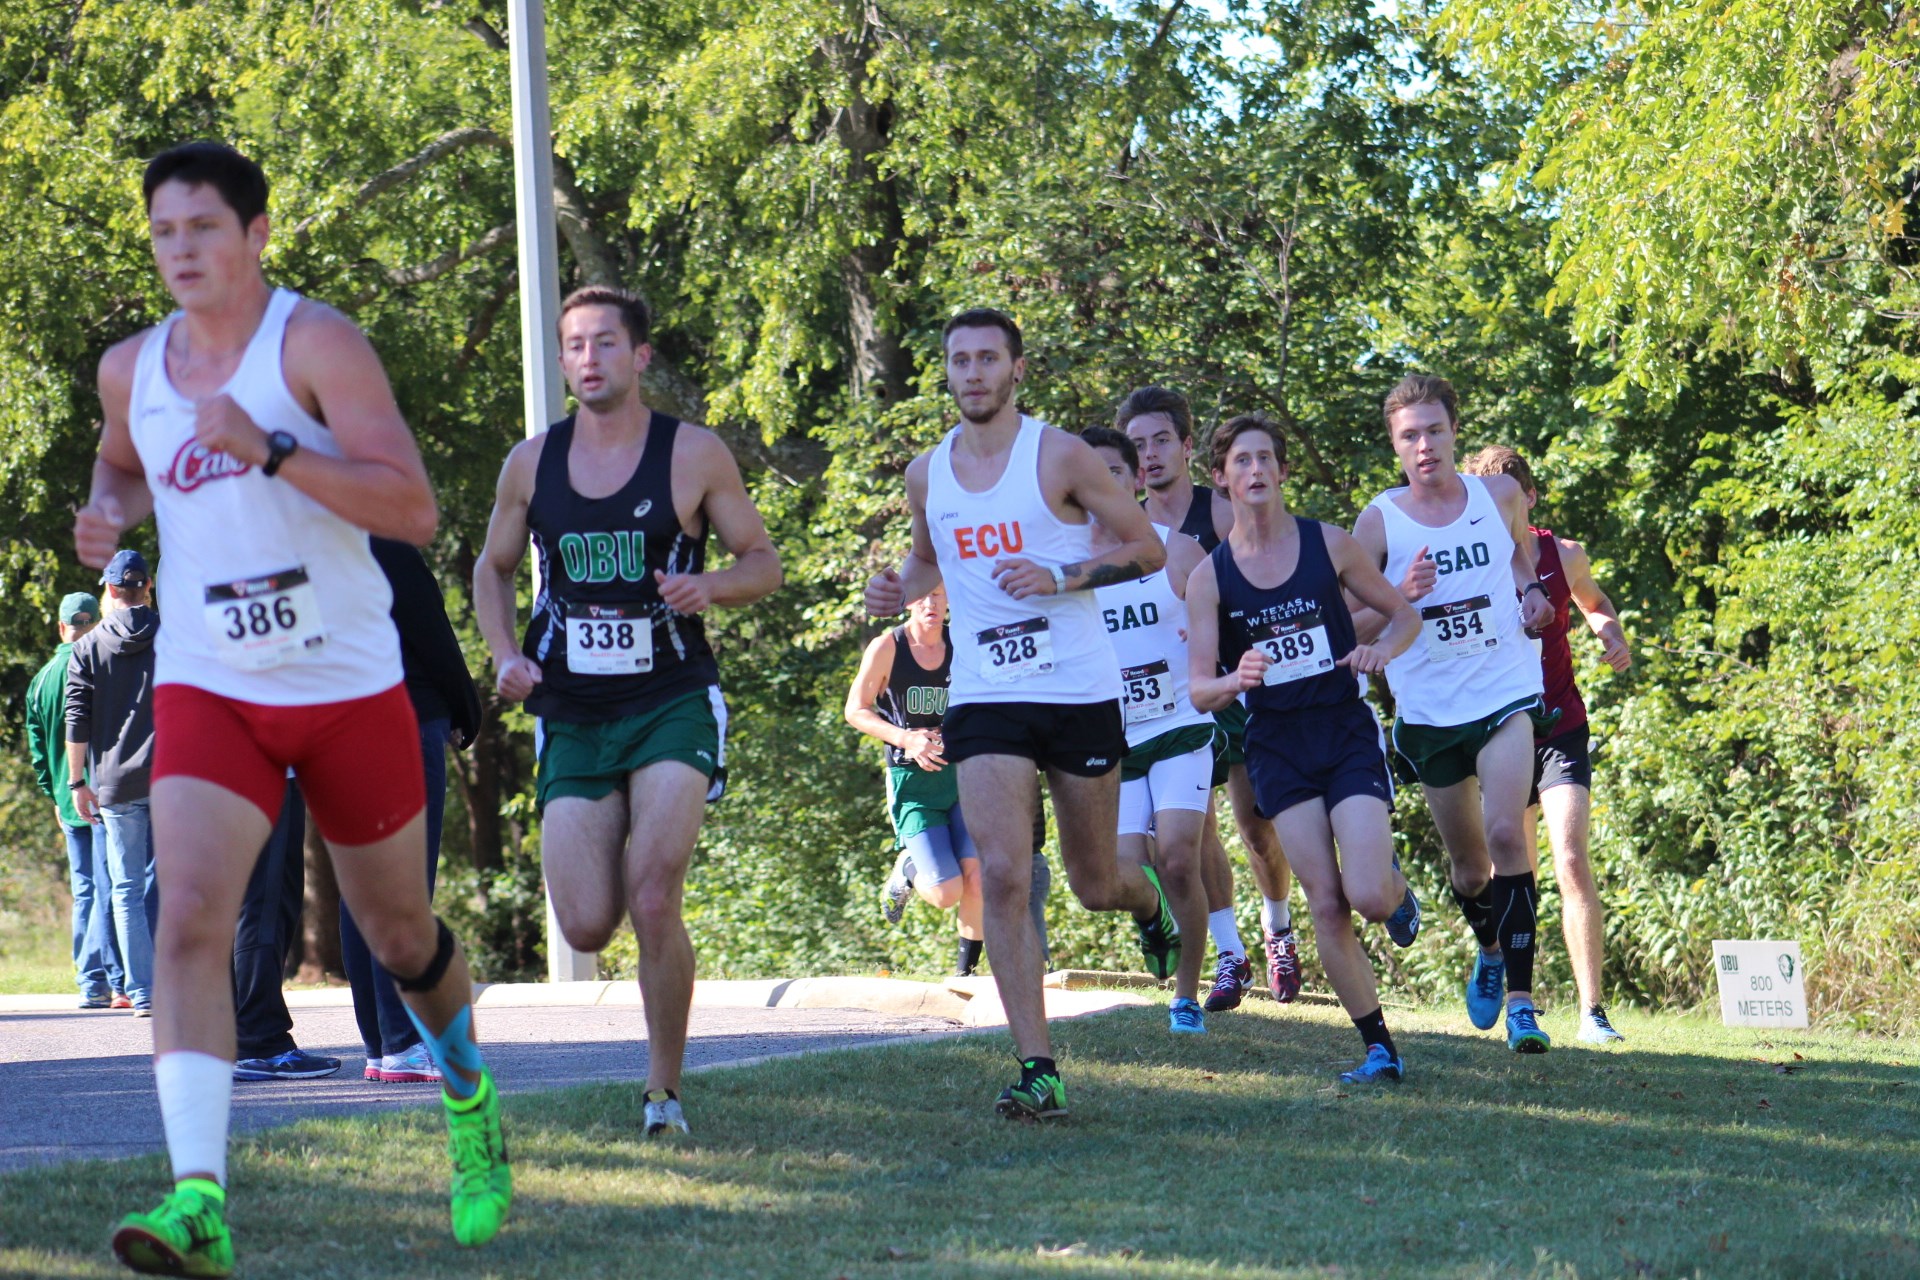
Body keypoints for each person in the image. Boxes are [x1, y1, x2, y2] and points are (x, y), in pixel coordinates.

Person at [76, 142, 509, 1275]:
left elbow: (409, 504)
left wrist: (269, 448)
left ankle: (469, 1097)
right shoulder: (134, 367)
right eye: (165, 232)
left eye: (204, 229)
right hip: (210, 680)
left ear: (258, 234)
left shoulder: (314, 344)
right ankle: (199, 1199)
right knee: (185, 924)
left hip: (345, 680)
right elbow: (122, 464)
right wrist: (103, 508)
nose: (182, 251)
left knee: (400, 934)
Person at [474, 284, 782, 1138]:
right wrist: (506, 654)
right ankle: (659, 1067)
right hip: (570, 708)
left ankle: (663, 1091)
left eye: (605, 343)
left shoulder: (692, 455)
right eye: (574, 345)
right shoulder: (531, 463)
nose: (587, 359)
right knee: (584, 920)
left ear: (639, 355)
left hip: (671, 698)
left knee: (653, 895)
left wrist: (709, 585)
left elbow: (763, 561)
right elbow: (491, 568)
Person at [864, 308, 1177, 1120]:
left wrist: (1062, 575)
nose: (972, 373)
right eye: (959, 360)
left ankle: (1149, 907)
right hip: (986, 695)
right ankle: (1038, 1066)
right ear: (947, 371)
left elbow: (1147, 548)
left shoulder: (1060, 456)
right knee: (1002, 875)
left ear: (1017, 371)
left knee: (1093, 879)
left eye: (987, 359)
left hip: (1076, 688)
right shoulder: (927, 473)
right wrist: (899, 586)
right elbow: (929, 552)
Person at [1187, 414, 1424, 1081]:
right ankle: (1379, 1048)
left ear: (1283, 472)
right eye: (1242, 461)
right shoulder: (1210, 578)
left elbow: (1405, 615)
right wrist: (1238, 678)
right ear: (1221, 477)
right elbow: (1200, 689)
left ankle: (1398, 891)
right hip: (1276, 744)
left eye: (1266, 459)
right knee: (1323, 900)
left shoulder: (1331, 545)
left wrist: (1380, 649)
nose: (1256, 471)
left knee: (1369, 897)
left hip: (1342, 729)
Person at [1351, 375, 1557, 1054]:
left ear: (1453, 433)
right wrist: (1394, 596)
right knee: (1470, 870)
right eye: (1409, 435)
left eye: (1434, 430)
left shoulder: (1496, 496)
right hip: (1432, 710)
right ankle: (1490, 945)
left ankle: (1524, 1005)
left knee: (1508, 836)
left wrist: (1531, 593)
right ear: (1395, 446)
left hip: (1503, 691)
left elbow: (1521, 553)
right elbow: (1344, 621)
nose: (1424, 445)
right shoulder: (1380, 522)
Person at [1117, 388, 1299, 1010]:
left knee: (1255, 827)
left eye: (1160, 440)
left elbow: (1271, 576)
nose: (1149, 456)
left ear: (1188, 446)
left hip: (1237, 687)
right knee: (1189, 836)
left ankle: (1278, 928)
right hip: (1174, 701)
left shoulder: (1217, 512)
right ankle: (1230, 954)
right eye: (1136, 446)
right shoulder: (1129, 528)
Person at [1462, 445, 1633, 1045]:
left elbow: (1595, 602)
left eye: (1510, 494)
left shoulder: (1565, 554)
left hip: (1560, 725)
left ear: (1528, 498)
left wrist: (1610, 634)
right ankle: (1503, 973)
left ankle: (1591, 1012)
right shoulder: (1472, 562)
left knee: (1570, 859)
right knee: (1505, 867)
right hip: (1498, 728)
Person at [1081, 426, 1215, 1032]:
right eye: (1090, 474)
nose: (1102, 485)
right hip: (1116, 739)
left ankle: (1186, 996)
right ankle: (1153, 914)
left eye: (1114, 472)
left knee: (1181, 857)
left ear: (1135, 479)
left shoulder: (1177, 549)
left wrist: (1207, 639)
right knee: (1118, 873)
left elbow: (1228, 611)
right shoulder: (1070, 567)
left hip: (1182, 723)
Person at [844, 585, 1053, 974]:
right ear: (907, 601)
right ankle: (908, 868)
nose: (932, 603)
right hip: (914, 783)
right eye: (922, 595)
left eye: (940, 594)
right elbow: (855, 710)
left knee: (977, 877)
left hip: (965, 776)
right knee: (945, 892)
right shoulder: (888, 647)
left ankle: (964, 972)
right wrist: (908, 738)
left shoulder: (965, 642)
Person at [342, 536, 484, 1083]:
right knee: (403, 888)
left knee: (361, 890)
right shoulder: (385, 546)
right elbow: (431, 634)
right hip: (401, 717)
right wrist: (466, 707)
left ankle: (382, 1043)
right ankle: (403, 1042)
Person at [65, 550, 159, 1018]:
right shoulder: (173, 636)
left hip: (117, 783)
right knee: (177, 885)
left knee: (126, 890)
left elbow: (76, 718)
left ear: (109, 590)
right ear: (148, 587)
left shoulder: (86, 647)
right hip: (175, 776)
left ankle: (143, 993)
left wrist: (77, 780)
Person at [27, 591, 125, 1008]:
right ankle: (117, 980)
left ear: (61, 626)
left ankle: (89, 982)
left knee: (84, 889)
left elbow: (35, 748)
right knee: (111, 887)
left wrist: (54, 793)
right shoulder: (98, 664)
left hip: (67, 800)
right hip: (99, 792)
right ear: (96, 622)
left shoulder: (43, 677)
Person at [229, 782, 340, 1081]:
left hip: (243, 767)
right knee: (265, 904)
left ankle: (236, 1037)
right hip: (264, 766)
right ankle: (261, 1043)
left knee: (253, 900)